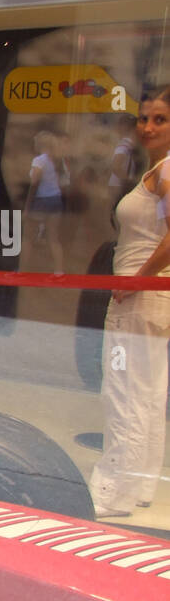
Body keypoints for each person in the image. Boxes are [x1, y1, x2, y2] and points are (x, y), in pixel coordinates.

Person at [88, 86, 170, 518]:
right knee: (148, 394)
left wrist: (137, 281)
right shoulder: (158, 168)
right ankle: (138, 489)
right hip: (151, 301)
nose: (148, 126)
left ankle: (112, 493)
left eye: (160, 118)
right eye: (144, 118)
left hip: (138, 301)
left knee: (124, 393)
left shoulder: (168, 170)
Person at [24, 130, 66, 274]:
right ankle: (59, 271)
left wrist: (27, 207)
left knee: (28, 237)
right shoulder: (55, 160)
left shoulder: (39, 160)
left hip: (42, 201)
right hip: (56, 199)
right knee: (53, 238)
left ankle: (23, 269)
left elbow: (34, 183)